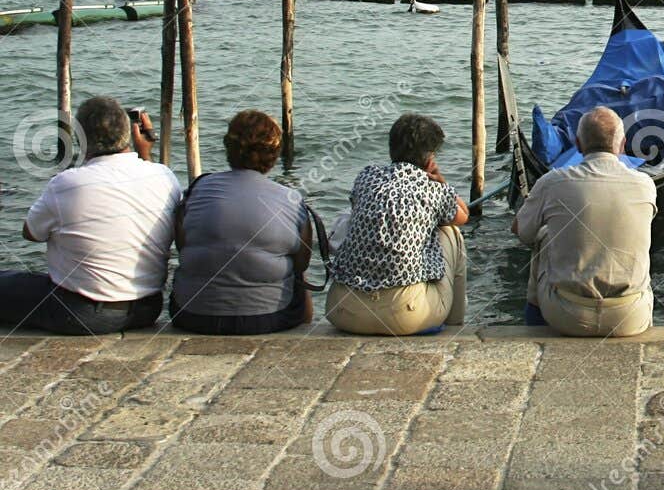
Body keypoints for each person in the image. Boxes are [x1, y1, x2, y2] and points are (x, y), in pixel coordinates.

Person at [0, 96, 181, 334]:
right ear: (130, 133)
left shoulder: (67, 183)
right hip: (147, 309)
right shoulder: (164, 176)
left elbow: (31, 233)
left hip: (81, 313)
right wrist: (145, 153)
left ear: (80, 139)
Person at [513, 106, 656, 337]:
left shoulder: (552, 182)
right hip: (630, 318)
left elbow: (523, 233)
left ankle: (534, 324)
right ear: (622, 145)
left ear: (578, 145)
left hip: (567, 316)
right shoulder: (645, 184)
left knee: (543, 235)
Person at [169, 110, 312, 335]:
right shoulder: (291, 201)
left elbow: (181, 243)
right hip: (268, 318)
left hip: (191, 315)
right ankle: (305, 323)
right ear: (274, 154)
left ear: (229, 148)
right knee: (296, 271)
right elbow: (302, 263)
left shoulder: (197, 190)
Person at [326, 113, 468, 336]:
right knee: (451, 232)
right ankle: (455, 325)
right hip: (405, 315)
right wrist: (442, 181)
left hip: (344, 310)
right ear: (430, 158)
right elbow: (463, 215)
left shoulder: (366, 176)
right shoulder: (431, 188)